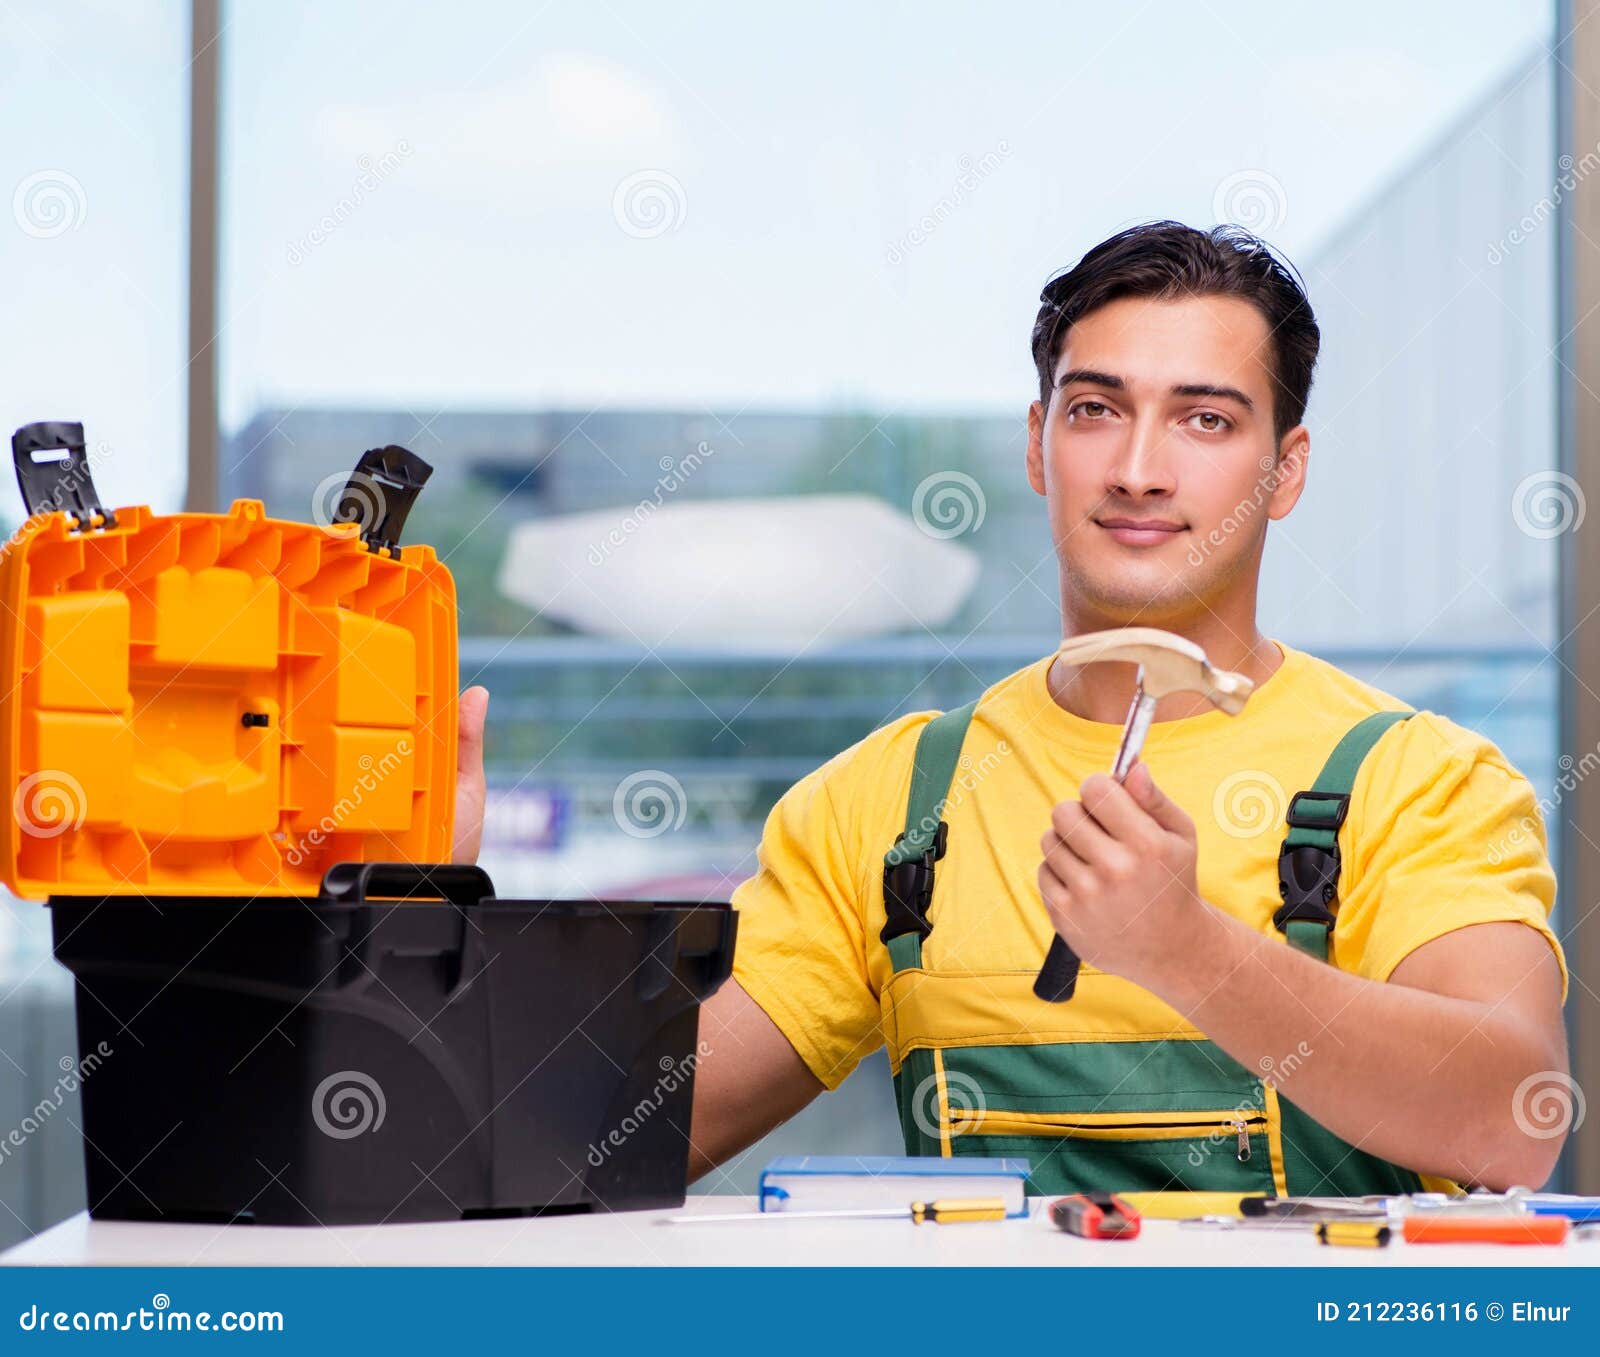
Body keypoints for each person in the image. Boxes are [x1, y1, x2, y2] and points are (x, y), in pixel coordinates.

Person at [454, 222, 1570, 1196]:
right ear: (1039, 445)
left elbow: (1514, 1118)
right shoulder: (894, 803)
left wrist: (1192, 951)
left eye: (1204, 421)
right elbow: (581, 1146)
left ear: (1284, 471)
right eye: (1095, 410)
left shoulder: (1419, 779)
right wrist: (418, 906)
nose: (1137, 468)